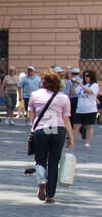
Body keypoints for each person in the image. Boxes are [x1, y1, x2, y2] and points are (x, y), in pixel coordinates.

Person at [27, 69, 74, 204]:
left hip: (41, 130)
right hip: (58, 130)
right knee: (54, 162)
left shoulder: (35, 95)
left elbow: (31, 117)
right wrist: (71, 138)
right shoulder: (64, 98)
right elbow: (66, 120)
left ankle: (42, 180)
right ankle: (50, 195)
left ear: (43, 81)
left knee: (40, 160)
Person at [76, 70, 98, 147]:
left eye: (87, 76)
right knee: (76, 126)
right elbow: (74, 92)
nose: (85, 77)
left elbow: (89, 91)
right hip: (80, 109)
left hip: (90, 109)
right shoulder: (80, 86)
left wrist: (80, 84)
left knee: (89, 126)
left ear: (92, 77)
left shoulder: (94, 85)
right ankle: (72, 141)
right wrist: (73, 85)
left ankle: (88, 142)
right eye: (84, 76)